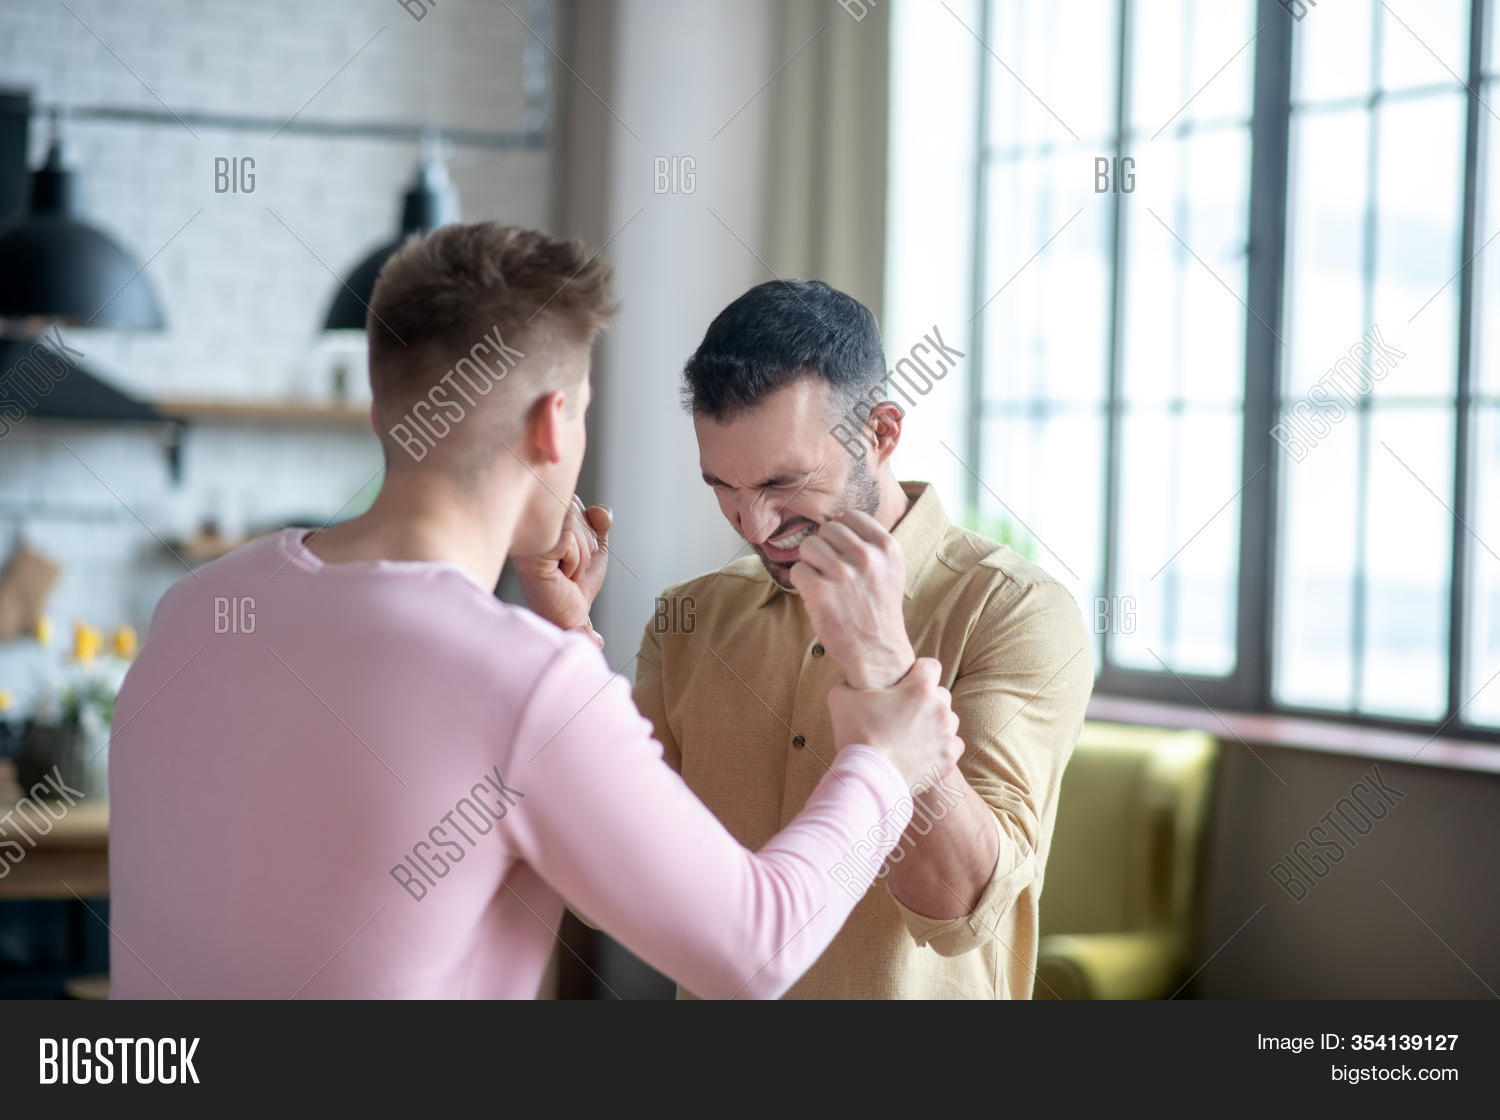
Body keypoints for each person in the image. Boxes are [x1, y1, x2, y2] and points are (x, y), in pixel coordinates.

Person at [107, 226, 961, 1000]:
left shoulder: (195, 609)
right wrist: (886, 762)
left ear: (383, 411)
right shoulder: (524, 684)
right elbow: (756, 951)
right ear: (554, 426)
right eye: (584, 409)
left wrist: (565, 646)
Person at [523, 280, 1094, 999]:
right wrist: (567, 635)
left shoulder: (1016, 613)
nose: (755, 526)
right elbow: (599, 883)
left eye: (783, 483)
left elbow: (962, 914)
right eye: (722, 487)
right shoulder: (691, 618)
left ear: (880, 433)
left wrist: (883, 665)